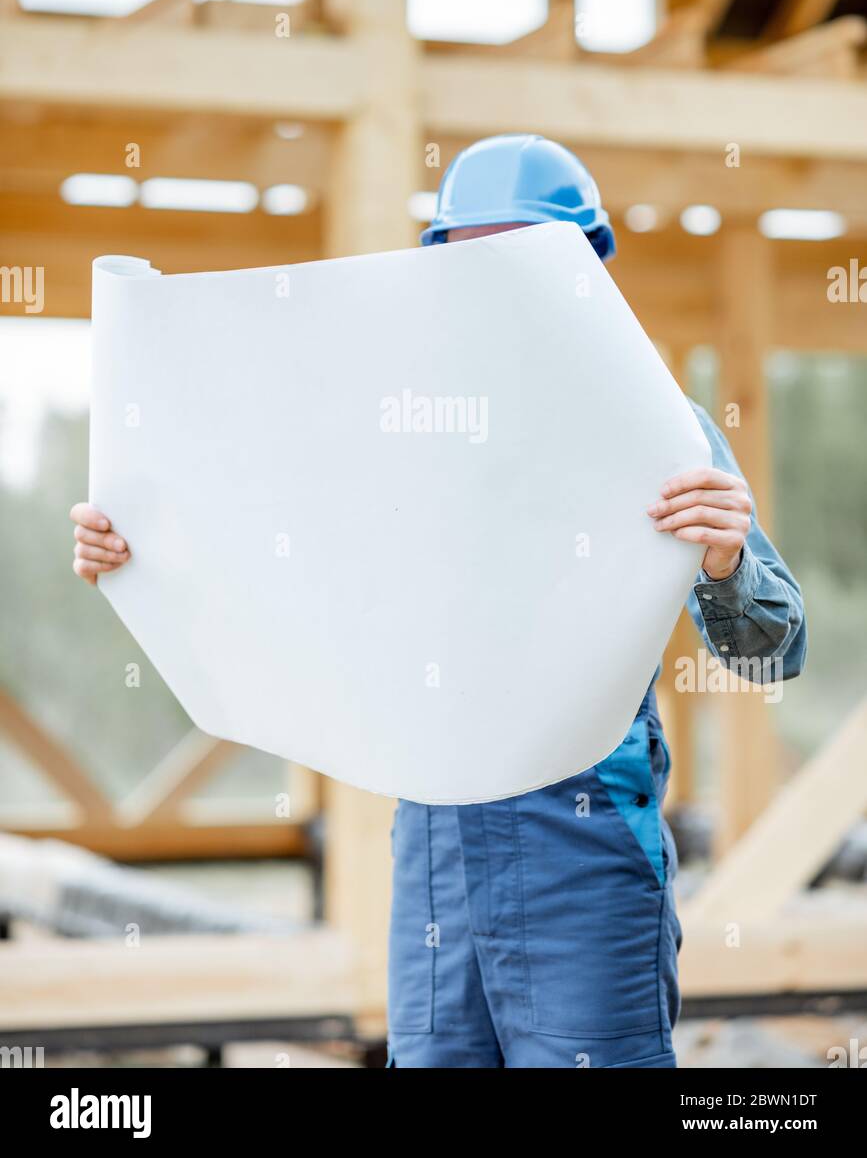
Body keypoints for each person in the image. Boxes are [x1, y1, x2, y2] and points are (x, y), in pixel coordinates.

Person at [70, 133, 807, 1069]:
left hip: (584, 838)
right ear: (442, 268)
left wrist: (722, 560)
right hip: (432, 848)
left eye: (523, 255)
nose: (497, 280)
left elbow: (770, 654)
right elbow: (271, 553)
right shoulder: (389, 432)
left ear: (584, 271)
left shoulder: (659, 426)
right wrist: (143, 553)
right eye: (476, 257)